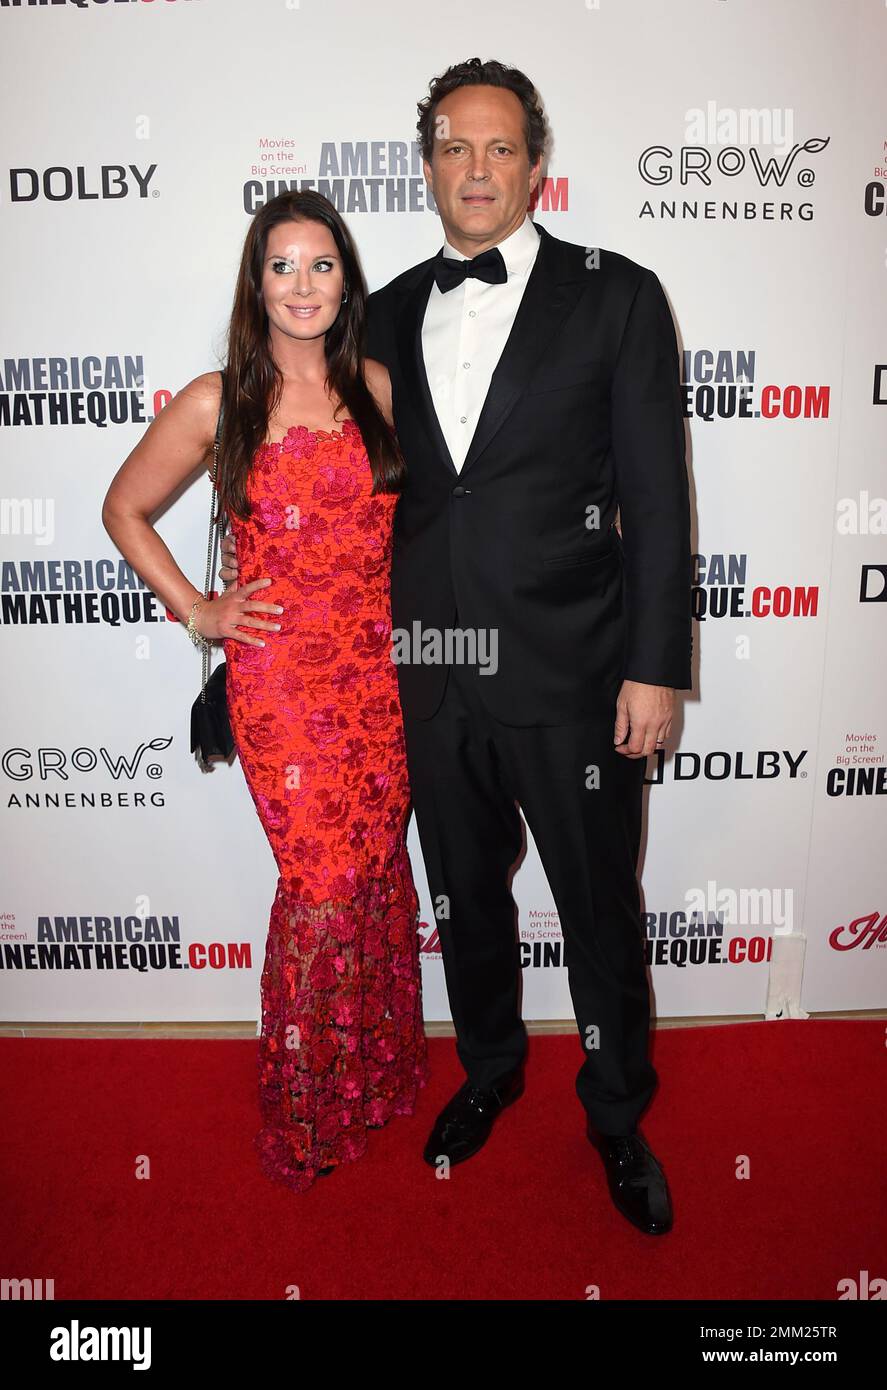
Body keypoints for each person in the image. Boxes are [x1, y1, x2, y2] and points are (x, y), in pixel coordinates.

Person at [224, 58, 692, 1234]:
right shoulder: (372, 316)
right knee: (464, 900)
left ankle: (614, 1113)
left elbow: (656, 495)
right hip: (421, 674)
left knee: (596, 905)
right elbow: (295, 475)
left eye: (498, 148)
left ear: (536, 165)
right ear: (424, 164)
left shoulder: (617, 295)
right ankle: (486, 1069)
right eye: (451, 146)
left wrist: (652, 664)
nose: (474, 168)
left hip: (575, 671)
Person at [102, 190, 428, 1194]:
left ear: (346, 279)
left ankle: (374, 1073)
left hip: (381, 676)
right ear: (256, 283)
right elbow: (124, 508)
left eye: (319, 265)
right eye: (281, 265)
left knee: (374, 878)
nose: (301, 284)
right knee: (322, 888)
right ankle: (308, 1104)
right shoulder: (218, 400)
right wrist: (199, 609)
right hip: (282, 683)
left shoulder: (376, 384)